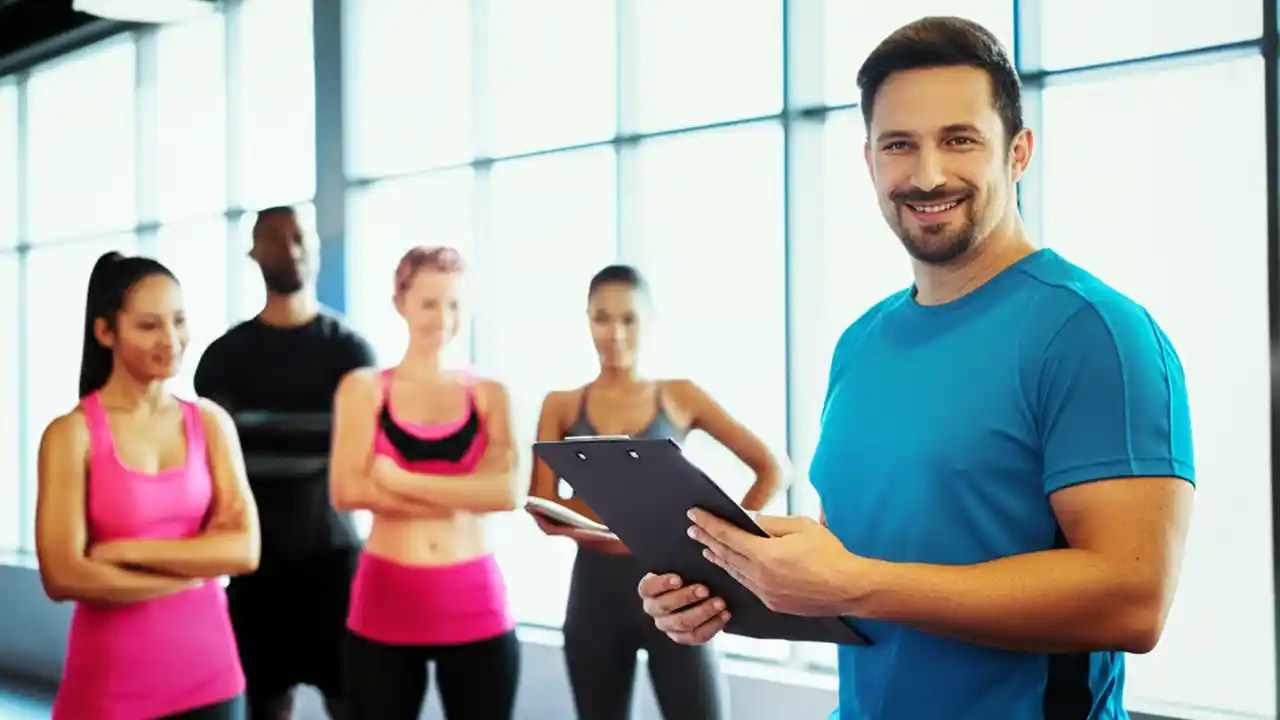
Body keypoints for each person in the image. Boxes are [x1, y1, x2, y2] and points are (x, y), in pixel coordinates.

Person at [638, 16, 1195, 720]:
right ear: (870, 161)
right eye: (899, 145)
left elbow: (1132, 602)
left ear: (1018, 152)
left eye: (959, 140)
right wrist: (730, 588)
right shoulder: (861, 344)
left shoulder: (1096, 333)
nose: (927, 175)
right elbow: (861, 580)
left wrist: (852, 583)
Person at [529, 263, 785, 720]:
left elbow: (772, 469)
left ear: (649, 322)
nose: (615, 334)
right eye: (602, 318)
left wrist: (724, 543)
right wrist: (622, 525)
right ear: (587, 320)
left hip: (678, 589)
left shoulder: (679, 395)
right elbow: (543, 508)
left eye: (629, 319)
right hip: (594, 597)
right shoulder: (561, 404)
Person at [35, 251, 260, 719]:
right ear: (105, 332)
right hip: (109, 690)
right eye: (149, 325)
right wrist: (192, 573)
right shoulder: (71, 435)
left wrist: (124, 551)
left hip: (213, 683)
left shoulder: (211, 423)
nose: (171, 339)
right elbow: (63, 574)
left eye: (179, 321)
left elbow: (243, 550)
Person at [192, 204, 376, 720]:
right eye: (274, 237)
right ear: (253, 252)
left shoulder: (351, 354)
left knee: (353, 705)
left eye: (299, 237)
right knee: (265, 708)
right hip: (256, 569)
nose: (290, 248)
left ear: (315, 247)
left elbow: (365, 461)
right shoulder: (222, 359)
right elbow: (213, 470)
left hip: (335, 566)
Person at [330, 245, 522, 720]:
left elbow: (506, 493)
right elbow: (348, 491)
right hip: (385, 601)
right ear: (400, 303)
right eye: (429, 304)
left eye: (454, 304)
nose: (443, 318)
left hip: (475, 601)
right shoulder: (364, 389)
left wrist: (397, 480)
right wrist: (465, 495)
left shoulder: (491, 394)